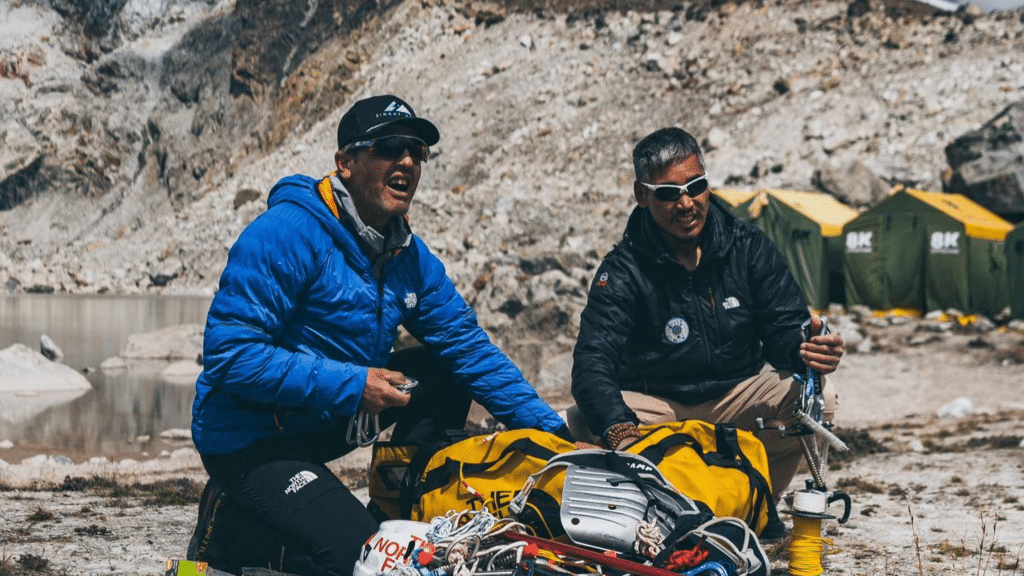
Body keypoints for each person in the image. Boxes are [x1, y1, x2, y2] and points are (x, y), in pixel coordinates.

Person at [186, 94, 572, 576]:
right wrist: (354, 384)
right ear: (345, 163)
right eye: (389, 147)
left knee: (443, 370)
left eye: (417, 151)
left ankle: (402, 510)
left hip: (323, 420)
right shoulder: (286, 233)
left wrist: (556, 437)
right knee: (357, 560)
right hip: (251, 438)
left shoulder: (405, 251)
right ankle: (227, 532)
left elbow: (469, 349)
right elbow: (231, 358)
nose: (407, 161)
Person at [567, 127, 844, 505]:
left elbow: (784, 329)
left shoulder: (748, 247)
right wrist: (620, 430)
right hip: (658, 405)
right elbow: (591, 363)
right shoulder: (621, 271)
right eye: (668, 193)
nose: (686, 203)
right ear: (642, 196)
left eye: (695, 186)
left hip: (736, 395)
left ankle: (758, 506)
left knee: (818, 397)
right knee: (580, 419)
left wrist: (806, 348)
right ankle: (661, 505)